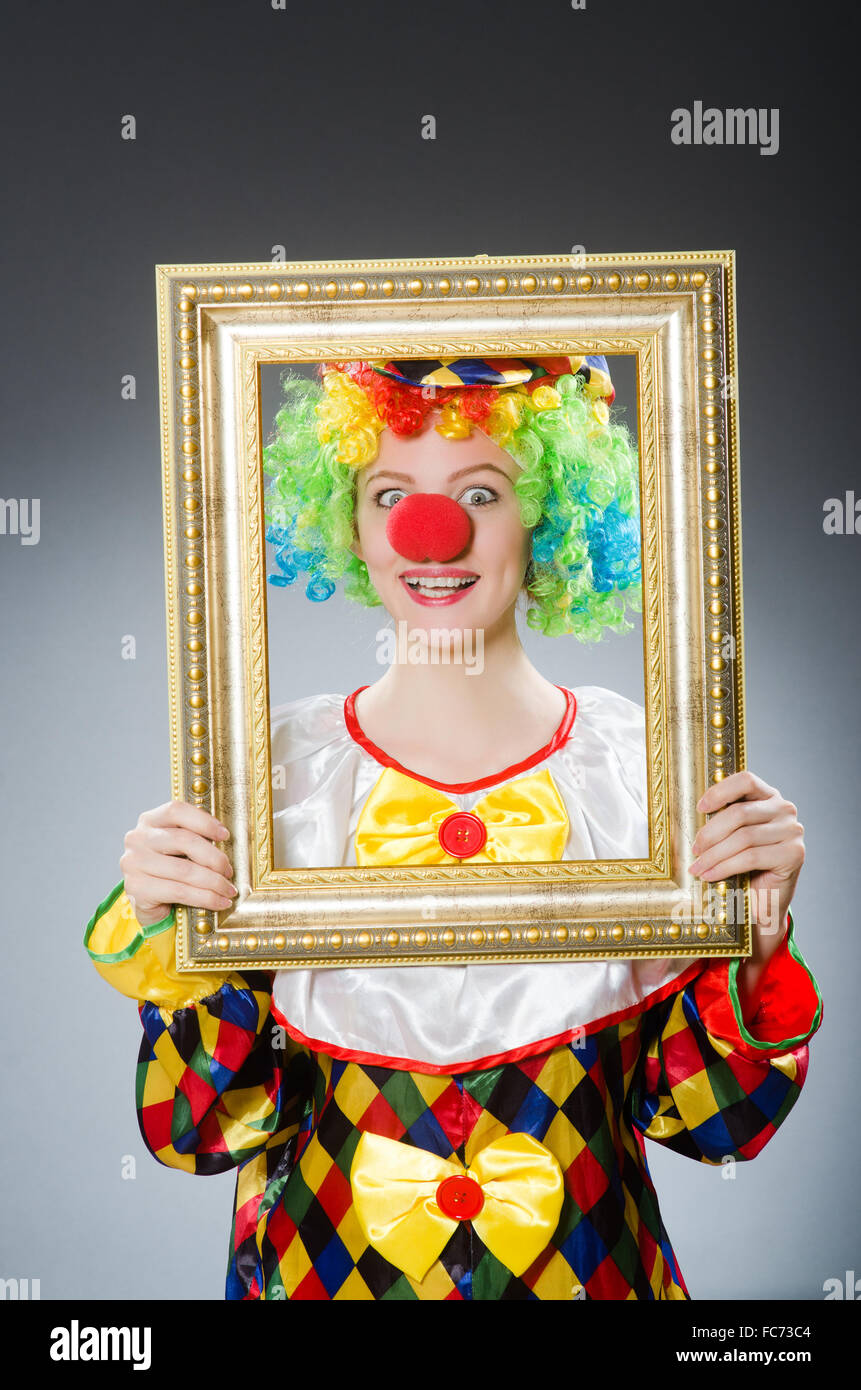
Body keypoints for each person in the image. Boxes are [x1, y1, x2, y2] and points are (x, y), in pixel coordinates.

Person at [84, 356, 821, 1300]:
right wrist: (176, 938)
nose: (429, 534)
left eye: (481, 491)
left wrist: (751, 942)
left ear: (551, 512)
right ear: (347, 523)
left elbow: (712, 1126)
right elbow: (198, 1130)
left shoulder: (646, 772)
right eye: (389, 493)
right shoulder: (270, 778)